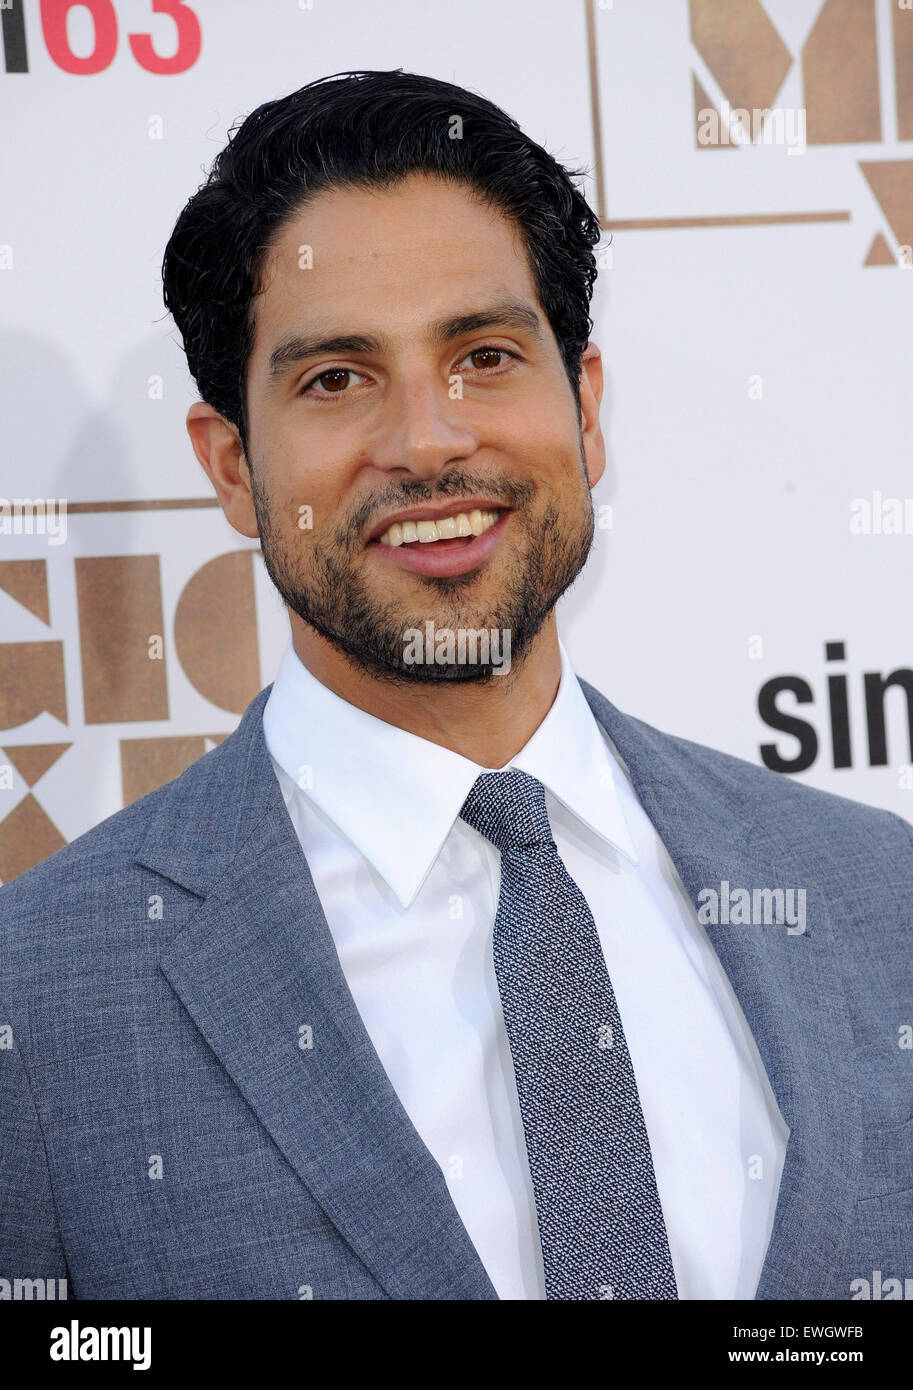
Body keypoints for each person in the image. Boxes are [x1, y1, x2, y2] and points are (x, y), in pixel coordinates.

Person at [1, 70, 910, 1302]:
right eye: (336, 378)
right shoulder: (42, 999)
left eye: (484, 355)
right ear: (230, 466)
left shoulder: (870, 892)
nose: (428, 441)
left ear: (585, 409)